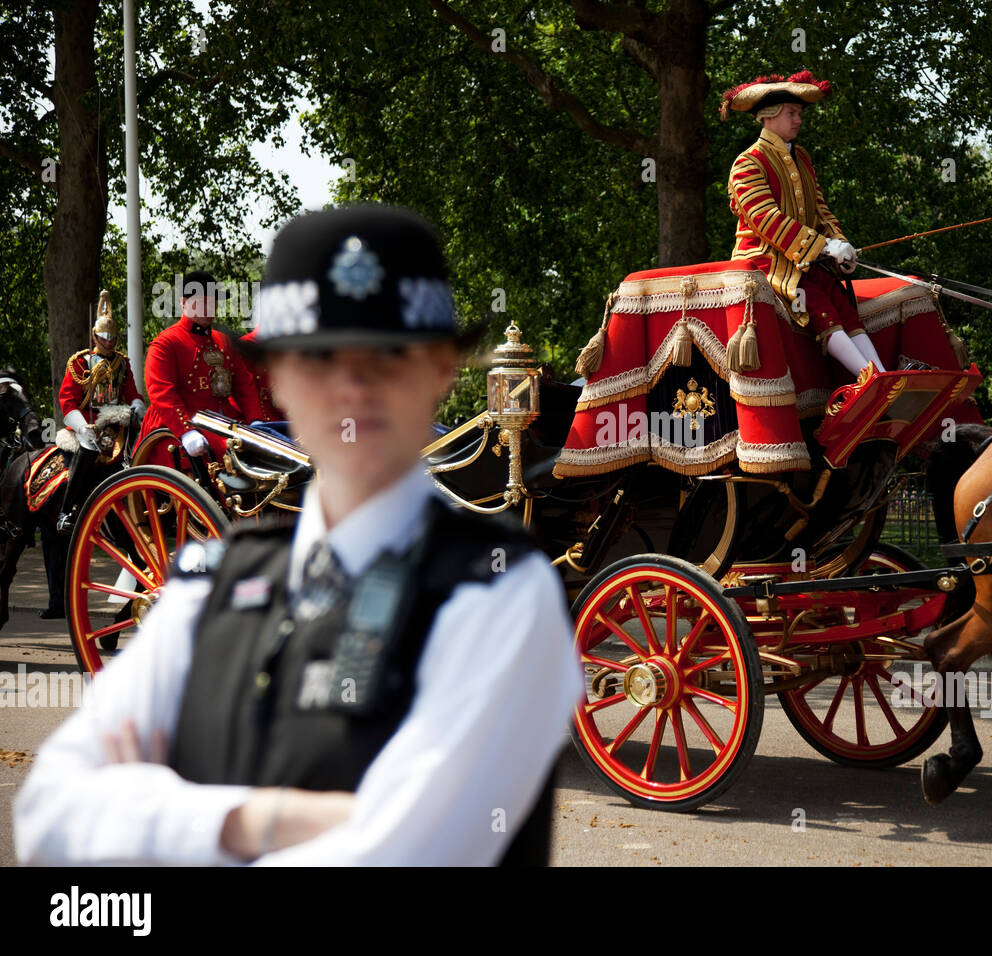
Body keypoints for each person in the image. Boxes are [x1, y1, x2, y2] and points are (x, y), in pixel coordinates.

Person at [15, 204, 583, 865]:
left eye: (387, 355)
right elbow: (47, 816)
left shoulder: (501, 592)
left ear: (441, 373)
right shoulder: (207, 587)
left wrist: (170, 823)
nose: (352, 387)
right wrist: (260, 821)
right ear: (281, 377)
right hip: (186, 436)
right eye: (318, 358)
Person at [720, 70, 887, 378]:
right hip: (764, 263)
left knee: (844, 305)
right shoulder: (748, 163)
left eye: (799, 113)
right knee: (819, 302)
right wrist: (823, 247)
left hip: (804, 263)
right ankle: (869, 378)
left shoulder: (802, 158)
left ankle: (882, 374)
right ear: (769, 116)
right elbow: (766, 220)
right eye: (791, 113)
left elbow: (820, 211)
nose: (798, 119)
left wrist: (840, 244)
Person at [133, 269, 268, 467]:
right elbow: (162, 393)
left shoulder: (224, 342)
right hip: (176, 428)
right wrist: (186, 430)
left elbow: (244, 385)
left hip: (223, 424)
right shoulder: (166, 343)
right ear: (183, 303)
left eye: (212, 302)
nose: (207, 307)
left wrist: (256, 420)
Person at [54, 291, 145, 537]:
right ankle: (67, 511)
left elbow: (132, 392)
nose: (108, 341)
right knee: (90, 445)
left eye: (112, 336)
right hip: (87, 422)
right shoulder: (80, 363)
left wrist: (137, 404)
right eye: (104, 336)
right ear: (95, 335)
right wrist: (83, 426)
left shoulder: (122, 363)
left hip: (116, 421)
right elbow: (68, 402)